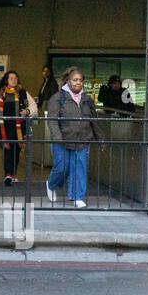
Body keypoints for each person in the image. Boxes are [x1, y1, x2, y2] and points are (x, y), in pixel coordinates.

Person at [45, 66, 103, 209]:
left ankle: (77, 196)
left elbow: (93, 120)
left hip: (82, 140)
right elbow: (52, 119)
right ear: (68, 81)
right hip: (62, 140)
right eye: (75, 80)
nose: (78, 82)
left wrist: (100, 139)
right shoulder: (58, 98)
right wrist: (57, 137)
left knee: (79, 168)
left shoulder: (87, 99)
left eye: (80, 80)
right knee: (62, 168)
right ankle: (51, 184)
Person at [0, 69, 38, 186]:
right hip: (4, 128)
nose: (14, 80)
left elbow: (34, 107)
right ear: (6, 80)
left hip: (19, 128)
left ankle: (13, 174)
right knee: (8, 150)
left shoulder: (23, 93)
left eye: (16, 78)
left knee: (16, 151)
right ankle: (8, 174)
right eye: (11, 78)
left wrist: (26, 111)